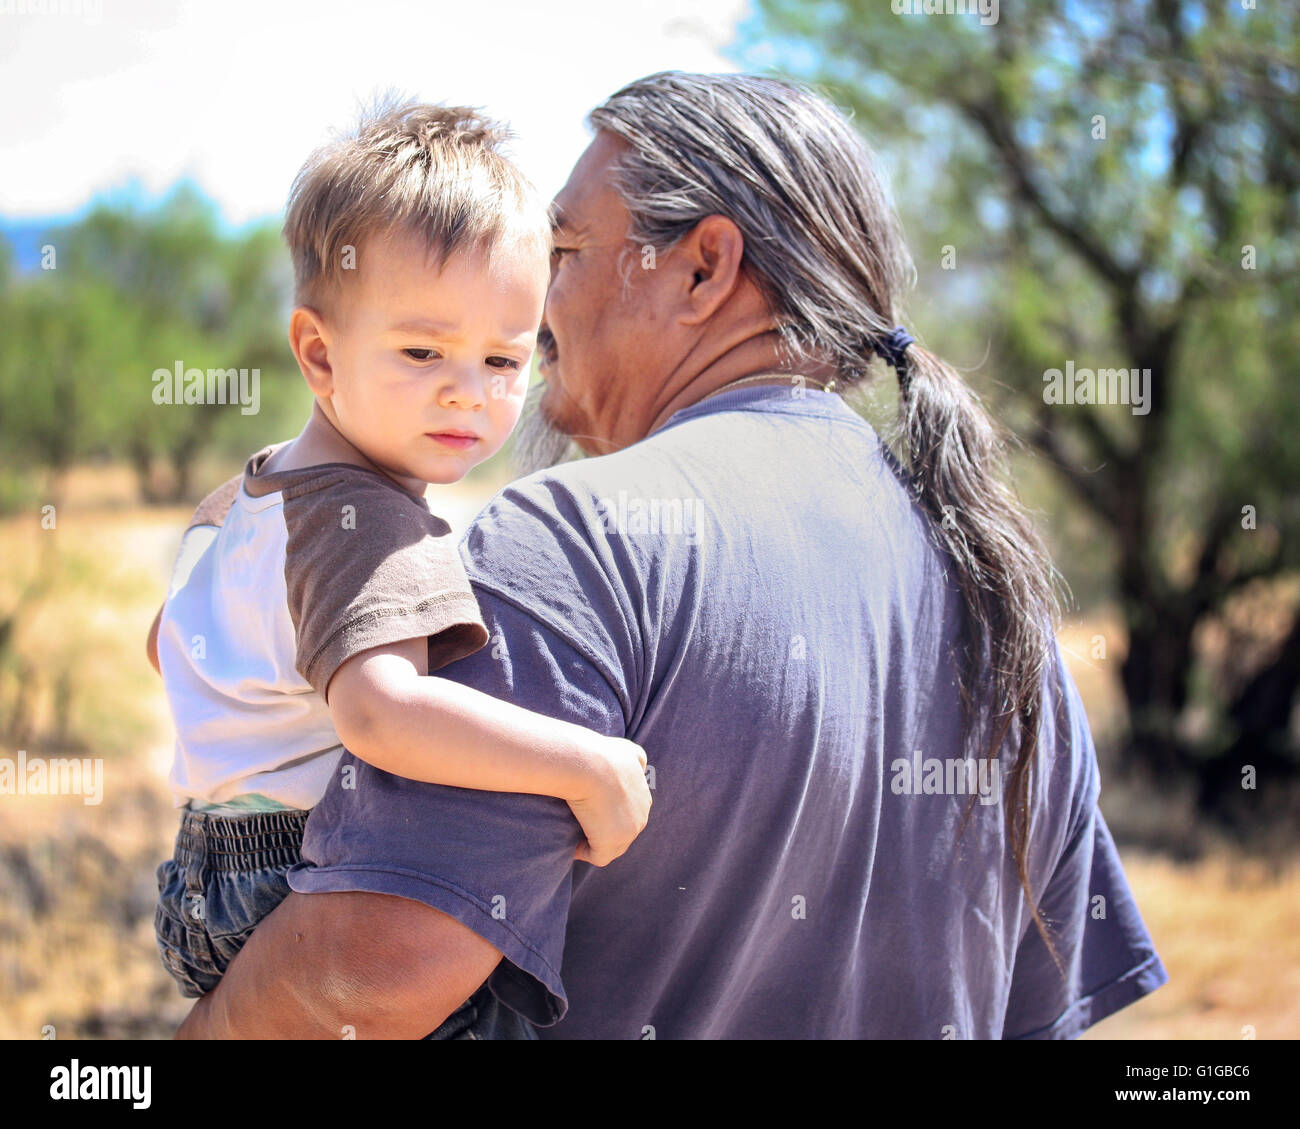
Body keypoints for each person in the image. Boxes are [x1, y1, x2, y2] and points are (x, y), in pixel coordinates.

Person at [176, 71, 1168, 1040]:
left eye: (561, 247)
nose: (533, 305)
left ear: (700, 268)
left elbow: (370, 976)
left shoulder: (571, 543)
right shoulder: (1004, 595)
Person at [145, 100, 651, 1040]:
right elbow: (381, 714)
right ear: (318, 353)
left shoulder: (245, 496)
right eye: (422, 351)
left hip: (197, 875)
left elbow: (163, 643)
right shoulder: (366, 517)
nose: (469, 389)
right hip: (293, 873)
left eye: (505, 357)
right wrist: (588, 763)